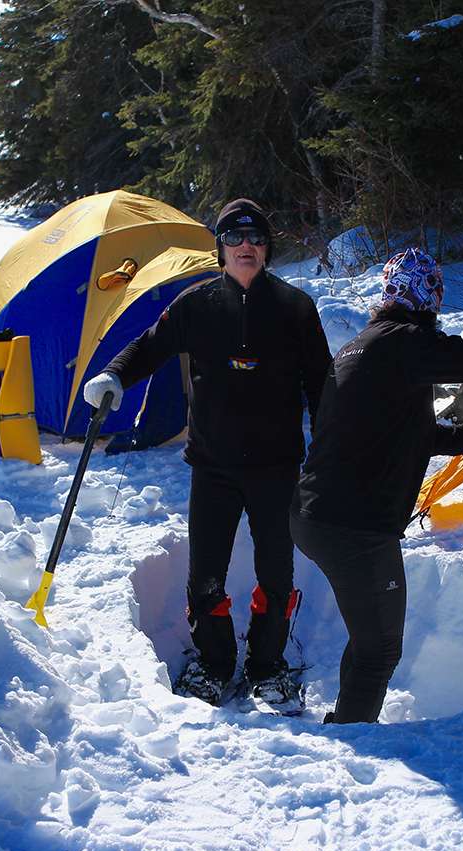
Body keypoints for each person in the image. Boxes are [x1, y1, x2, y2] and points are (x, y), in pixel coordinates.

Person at [82, 198, 332, 706]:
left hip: (277, 467)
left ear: (267, 249)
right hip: (213, 467)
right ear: (220, 248)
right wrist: (114, 375)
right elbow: (150, 345)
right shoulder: (196, 305)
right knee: (205, 576)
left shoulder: (295, 308)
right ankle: (215, 664)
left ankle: (268, 665)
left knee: (277, 574)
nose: (246, 245)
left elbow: (320, 384)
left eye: (256, 237)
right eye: (234, 237)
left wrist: (332, 445)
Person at [290, 248, 463, 725]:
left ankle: (347, 723)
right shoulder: (405, 343)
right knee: (381, 648)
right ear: (431, 296)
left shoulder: (364, 346)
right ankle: (353, 739)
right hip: (354, 528)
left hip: (316, 515)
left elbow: (421, 436)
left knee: (369, 640)